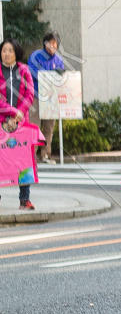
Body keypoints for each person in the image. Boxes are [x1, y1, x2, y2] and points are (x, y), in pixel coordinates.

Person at [27, 32, 64, 163]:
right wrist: (48, 76)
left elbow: (61, 76)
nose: (53, 46)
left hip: (51, 99)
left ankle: (45, 154)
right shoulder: (35, 56)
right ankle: (31, 155)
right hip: (36, 96)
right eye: (50, 43)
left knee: (49, 128)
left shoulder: (58, 60)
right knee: (34, 126)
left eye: (55, 43)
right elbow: (32, 72)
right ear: (45, 43)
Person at [1, 104, 41, 210]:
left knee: (24, 162)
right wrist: (12, 113)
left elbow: (29, 96)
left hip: (21, 120)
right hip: (2, 119)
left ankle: (24, 199)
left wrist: (18, 115)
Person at [1, 38, 36, 130]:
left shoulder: (24, 70)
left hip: (21, 120)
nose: (7, 54)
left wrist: (19, 113)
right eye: (4, 51)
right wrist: (13, 113)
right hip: (1, 122)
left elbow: (30, 94)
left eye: (10, 51)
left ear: (16, 53)